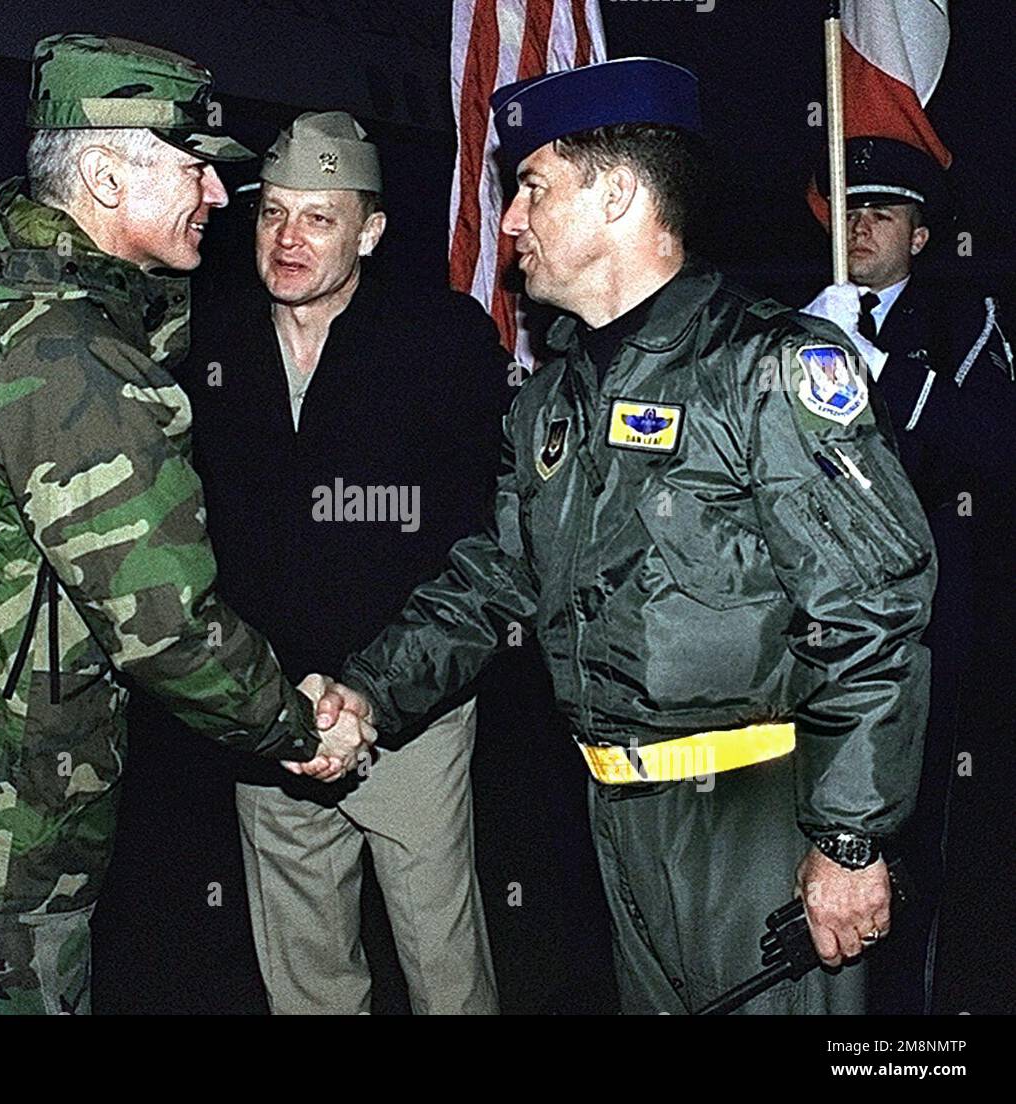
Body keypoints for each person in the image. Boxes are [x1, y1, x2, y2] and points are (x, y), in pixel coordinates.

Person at [305, 57, 938, 1015]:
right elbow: (494, 578)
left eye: (529, 188)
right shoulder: (554, 397)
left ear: (619, 197)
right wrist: (369, 690)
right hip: (616, 822)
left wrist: (849, 842)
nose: (508, 222)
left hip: (756, 821)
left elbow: (875, 609)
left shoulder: (765, 368)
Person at [0, 33, 371, 1016]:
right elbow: (166, 629)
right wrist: (292, 724)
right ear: (106, 177)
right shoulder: (71, 360)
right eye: (196, 169)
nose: (216, 196)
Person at [175, 111, 508, 1014]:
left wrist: (368, 693)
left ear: (371, 232)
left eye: (320, 218)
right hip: (266, 708)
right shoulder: (206, 338)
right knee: (306, 983)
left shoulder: (442, 342)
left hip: (405, 713)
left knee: (444, 972)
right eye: (273, 213)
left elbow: (481, 543)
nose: (288, 239)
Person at [803, 136, 1016, 1013]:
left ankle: (901, 1030)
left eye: (880, 213)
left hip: (928, 633)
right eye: (848, 208)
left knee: (908, 840)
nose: (858, 227)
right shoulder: (797, 316)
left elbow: (986, 450)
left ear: (920, 237)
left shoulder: (961, 320)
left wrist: (876, 367)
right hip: (811, 628)